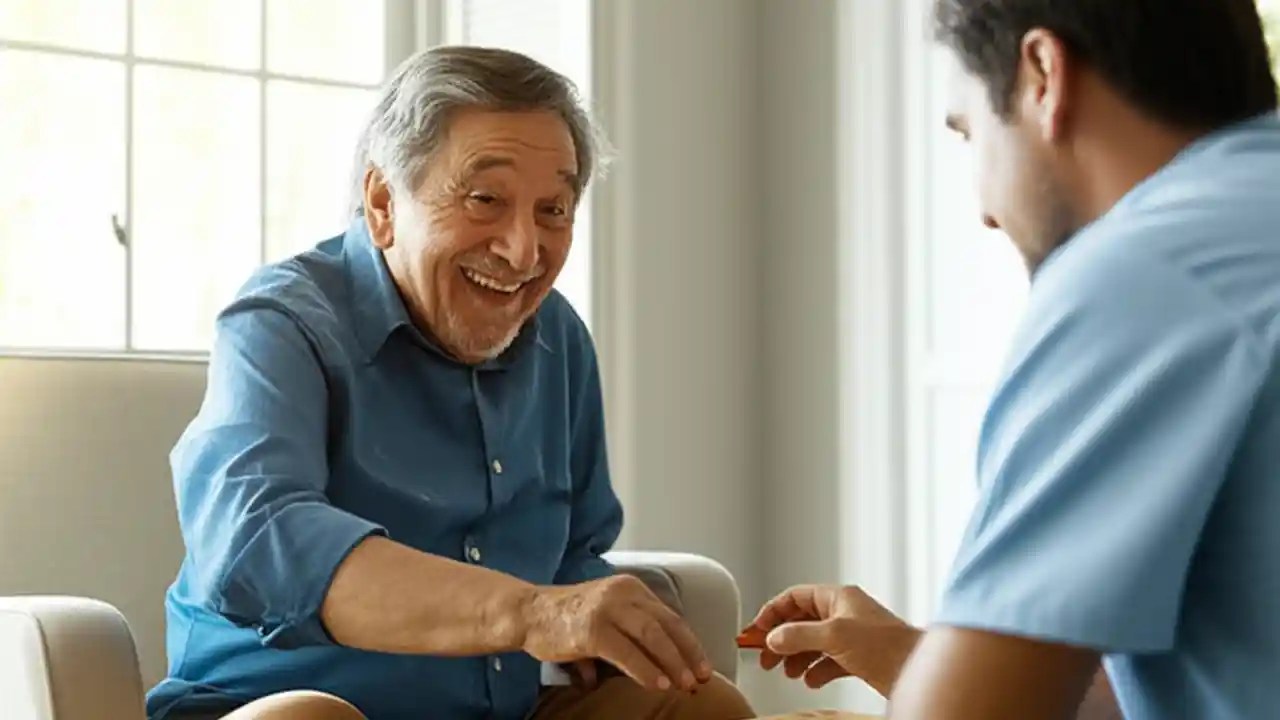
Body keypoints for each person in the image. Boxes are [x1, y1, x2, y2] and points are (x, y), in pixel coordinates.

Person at [145, 46, 753, 720]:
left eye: (553, 210)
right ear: (382, 202)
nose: (523, 252)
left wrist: (613, 618)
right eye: (485, 199)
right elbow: (261, 541)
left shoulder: (558, 338)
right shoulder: (280, 322)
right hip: (282, 704)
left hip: (503, 711)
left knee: (699, 707)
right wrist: (529, 613)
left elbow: (575, 553)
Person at [749, 1, 1280, 718]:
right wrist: (926, 657)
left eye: (970, 133)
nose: (986, 211)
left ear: (1042, 76)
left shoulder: (1145, 272)